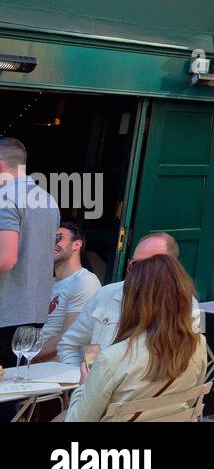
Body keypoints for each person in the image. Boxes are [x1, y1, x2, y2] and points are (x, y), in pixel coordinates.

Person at [64, 254, 207, 422]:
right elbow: (189, 401)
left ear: (135, 299)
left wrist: (84, 386)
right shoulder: (198, 344)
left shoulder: (111, 359)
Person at [58, 232, 203, 365]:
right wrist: (87, 378)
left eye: (150, 266)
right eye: (135, 264)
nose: (138, 272)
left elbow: (193, 359)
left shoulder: (189, 305)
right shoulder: (106, 295)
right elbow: (70, 345)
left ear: (171, 268)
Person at [0, 138, 59, 369]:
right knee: (14, 386)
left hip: (5, 312)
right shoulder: (48, 199)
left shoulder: (5, 198)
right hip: (35, 313)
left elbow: (6, 259)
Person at [36, 221, 102, 362]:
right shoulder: (47, 283)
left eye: (58, 238)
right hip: (32, 365)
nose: (51, 244)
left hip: (57, 370)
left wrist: (22, 357)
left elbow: (68, 337)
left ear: (77, 244)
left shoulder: (85, 281)